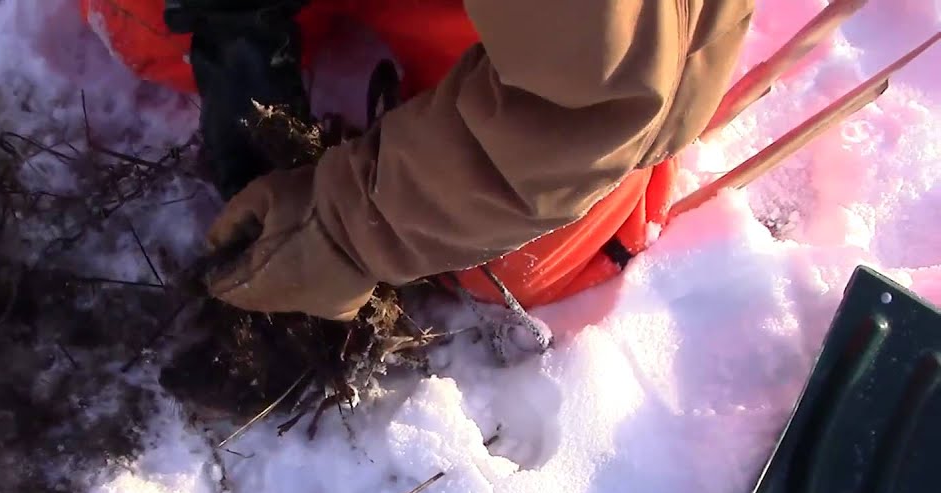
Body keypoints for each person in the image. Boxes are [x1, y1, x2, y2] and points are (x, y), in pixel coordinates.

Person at [82, 0, 755, 321]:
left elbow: (589, 102)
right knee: (147, 25)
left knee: (504, 262)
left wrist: (351, 228)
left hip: (597, 51)